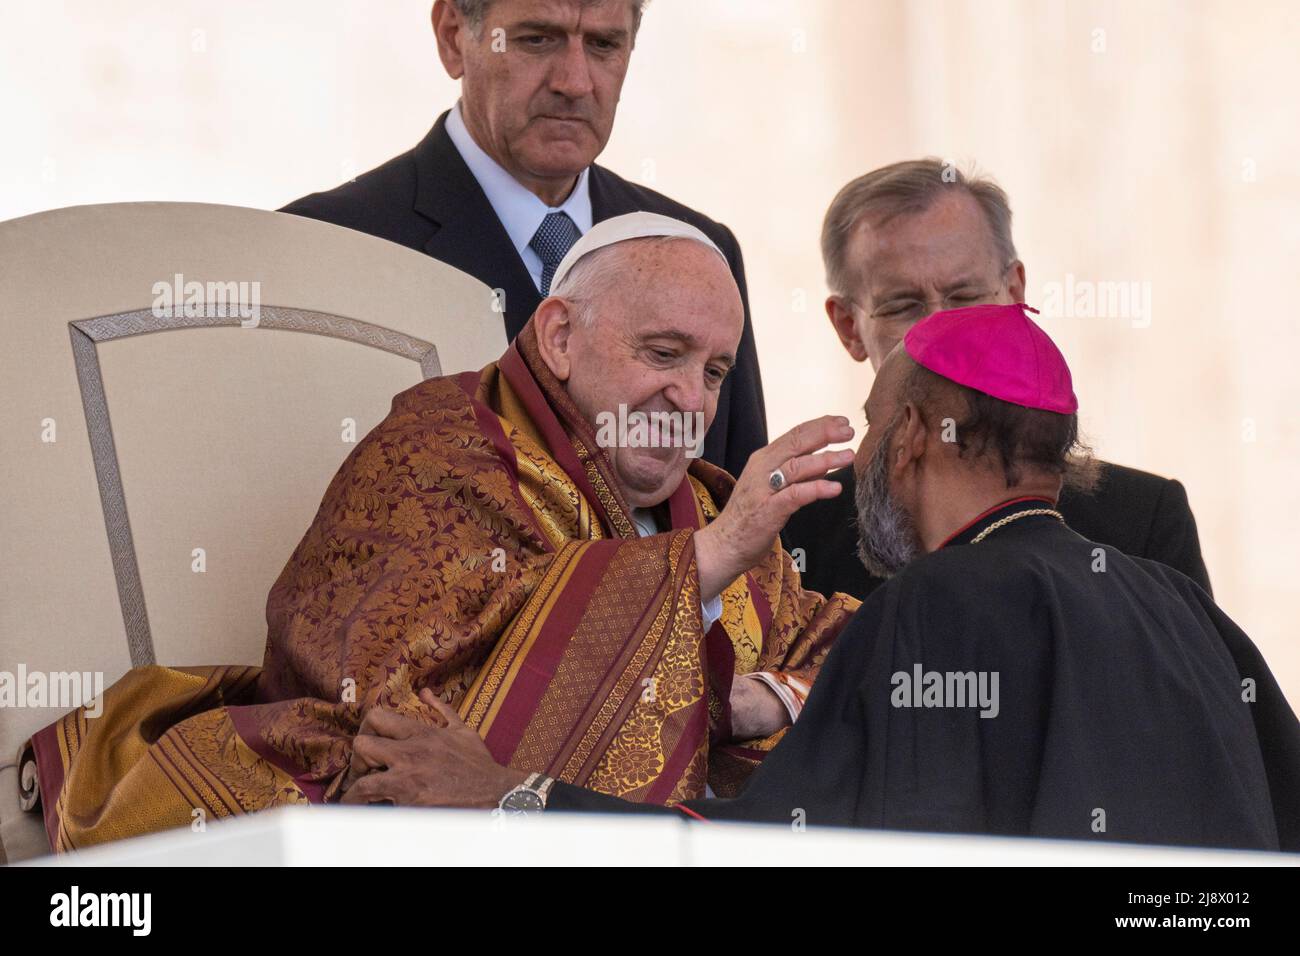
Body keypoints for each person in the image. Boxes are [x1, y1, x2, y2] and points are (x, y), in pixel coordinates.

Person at [24, 214, 858, 852]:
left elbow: (858, 667)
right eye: (664, 354)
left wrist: (752, 696)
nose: (693, 401)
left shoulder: (715, 511)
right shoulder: (442, 447)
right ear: (561, 337)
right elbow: (404, 715)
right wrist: (701, 570)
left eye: (713, 372)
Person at [345, 303, 1300, 853]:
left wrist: (512, 795)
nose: (864, 452)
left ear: (922, 434)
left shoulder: (937, 604)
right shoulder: (1180, 606)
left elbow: (785, 849)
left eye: (875, 421)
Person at [279, 0, 767, 477]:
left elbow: (734, 519)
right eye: (537, 39)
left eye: (602, 44)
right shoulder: (324, 245)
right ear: (452, 35)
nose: (574, 83)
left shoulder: (703, 253)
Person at [783, 160, 1211, 602]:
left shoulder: (1143, 521)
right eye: (903, 305)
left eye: (964, 297)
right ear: (849, 327)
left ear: (1015, 293)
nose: (941, 331)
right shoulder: (796, 541)